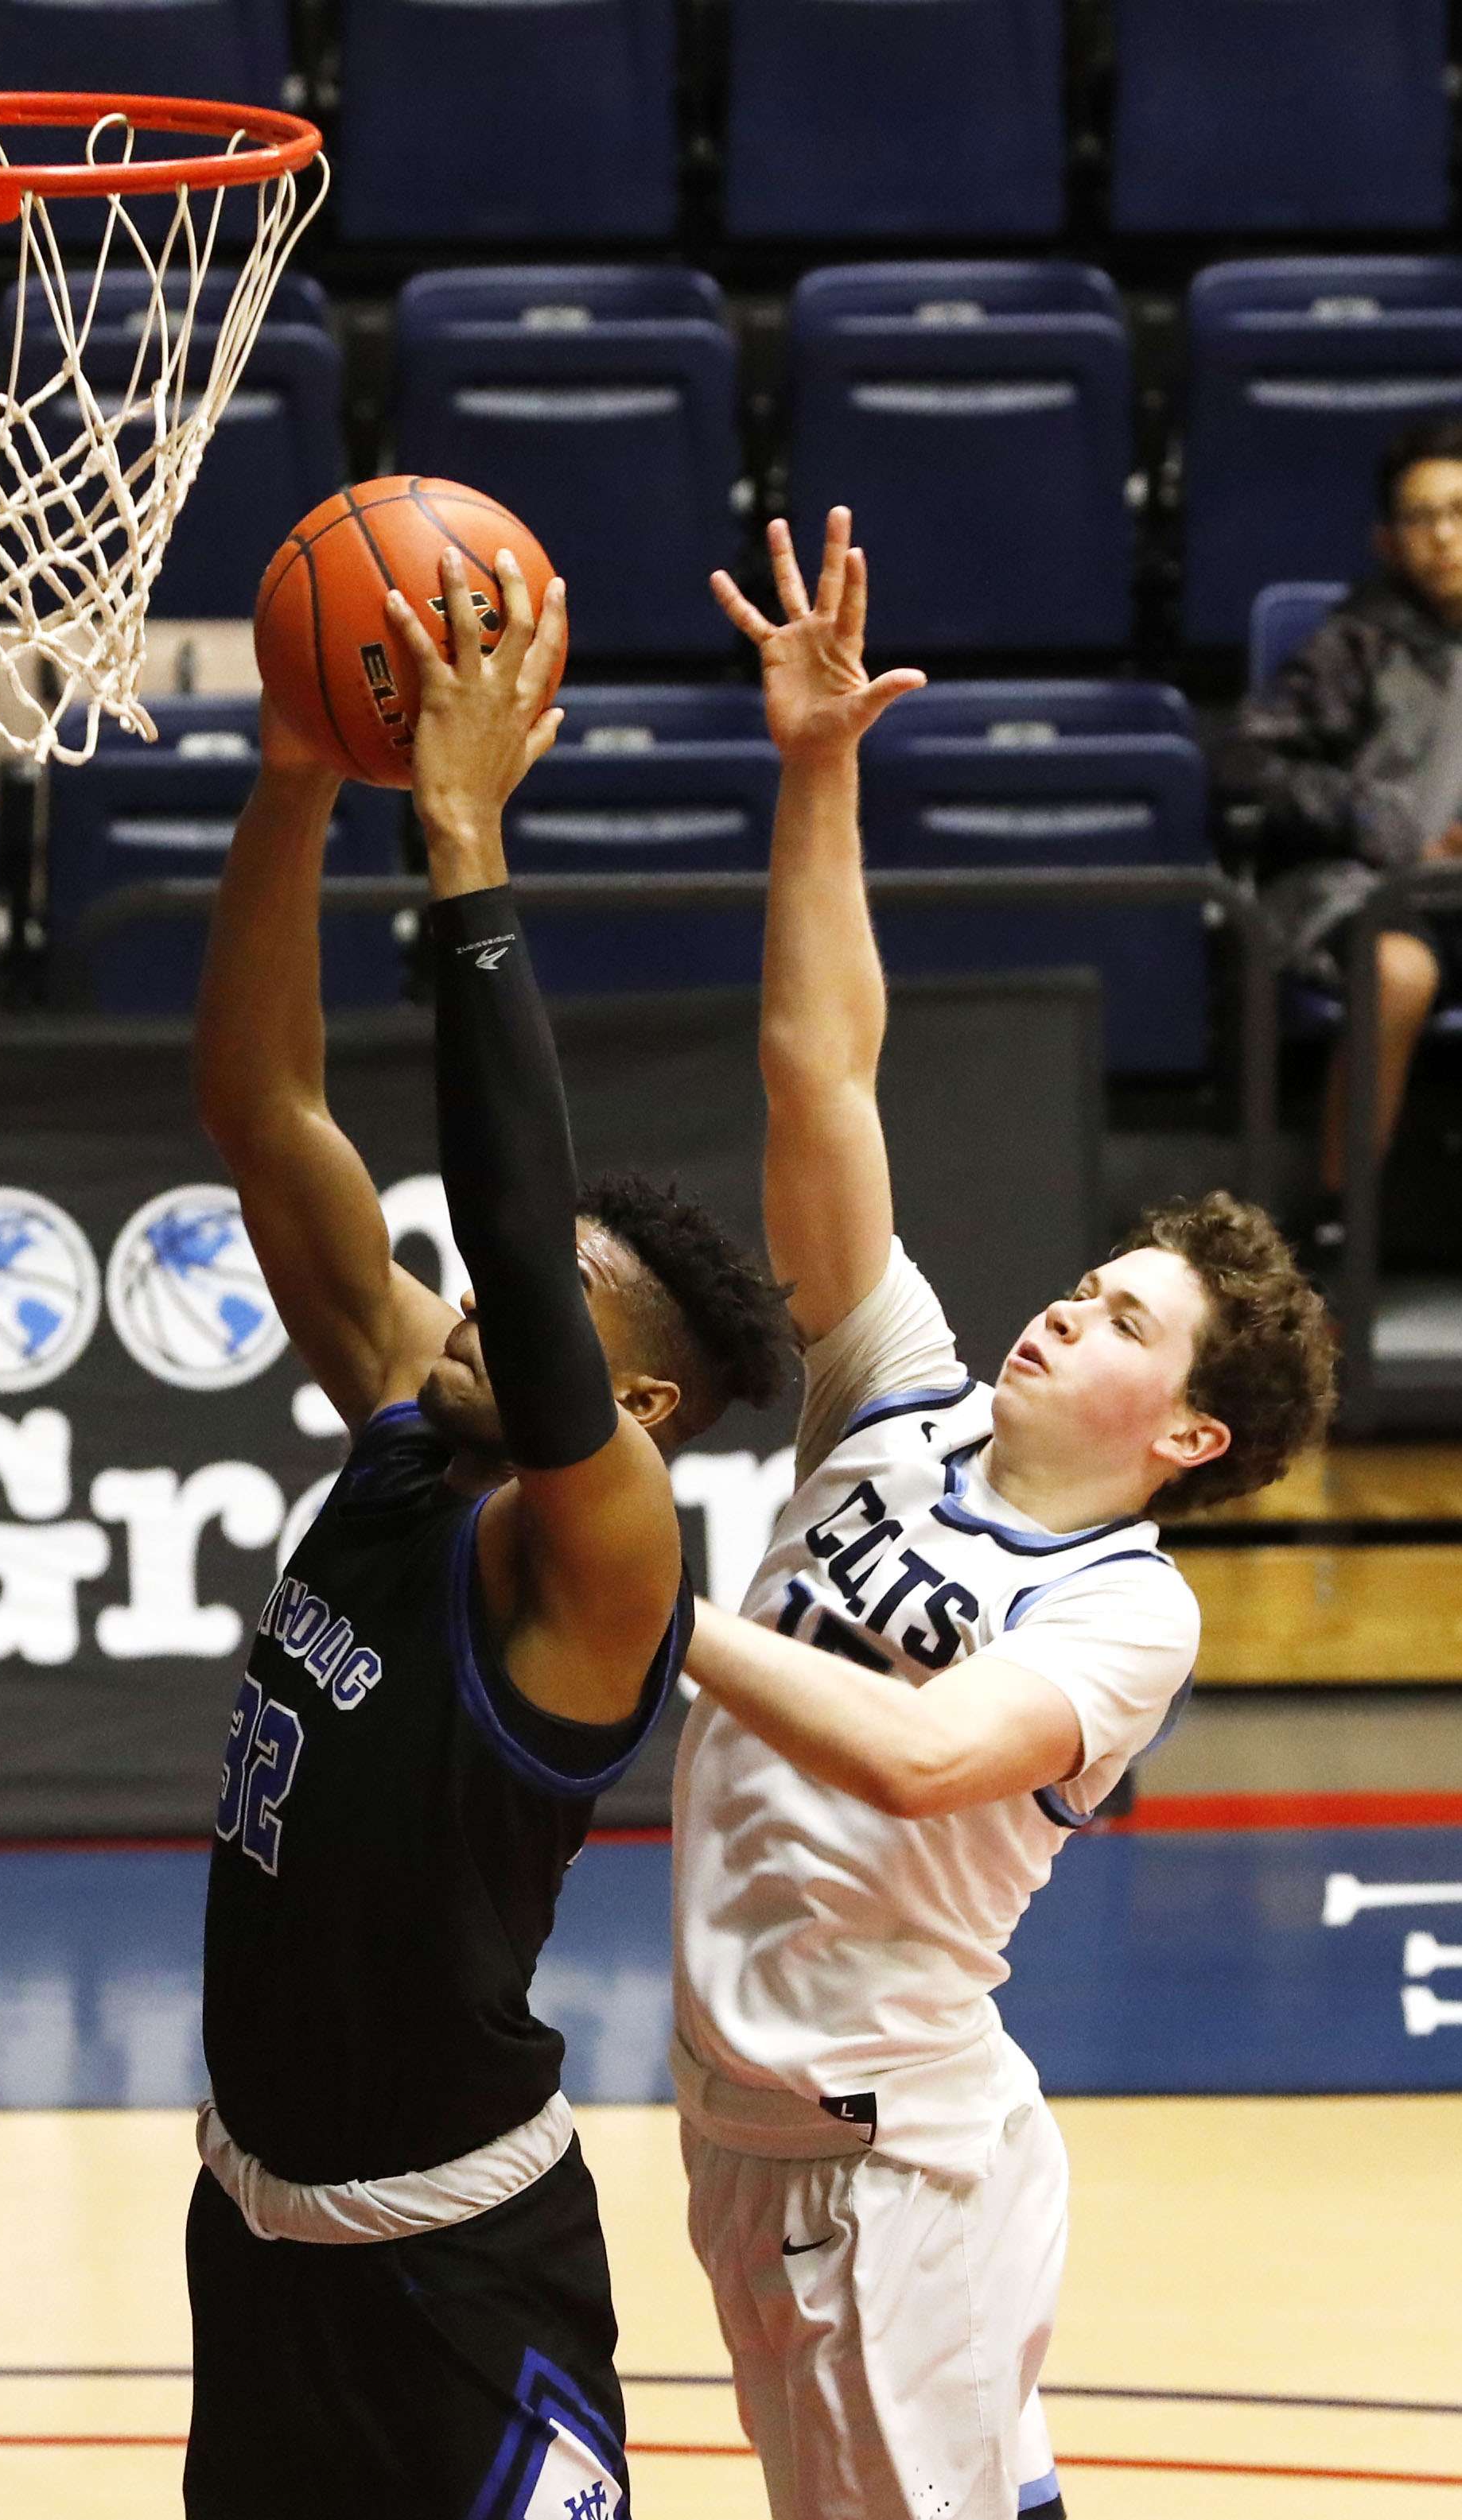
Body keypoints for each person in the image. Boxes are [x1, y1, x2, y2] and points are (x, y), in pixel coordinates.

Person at [673, 510, 1338, 2520]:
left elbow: (921, 1749)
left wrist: (654, 1611)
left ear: (1190, 1433)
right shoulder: (897, 1392)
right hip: (765, 2121)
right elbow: (821, 1075)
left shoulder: (1129, 1613)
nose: (1069, 1304)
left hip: (884, 2153)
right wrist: (816, 772)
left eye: (1126, 1320)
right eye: (1090, 1278)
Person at [185, 549, 792, 2515]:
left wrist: (462, 836)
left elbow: (521, 1253)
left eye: (540, 1316)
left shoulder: (597, 1559)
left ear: (639, 1410)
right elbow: (262, 1104)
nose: (469, 1304)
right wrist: (296, 775)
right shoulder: (405, 1417)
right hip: (254, 2238)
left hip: (454, 2275)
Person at [1221, 414, 1462, 1275]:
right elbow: (1249, 763)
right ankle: (1332, 1234)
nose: (1444, 536)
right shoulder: (1356, 643)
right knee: (1398, 972)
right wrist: (1378, 822)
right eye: (1422, 517)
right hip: (1379, 894)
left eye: (1460, 512)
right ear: (1388, 539)